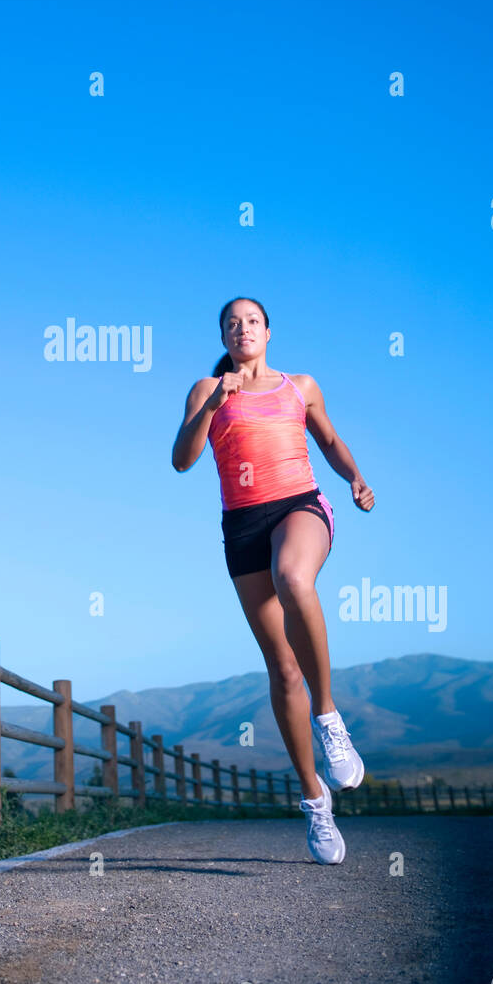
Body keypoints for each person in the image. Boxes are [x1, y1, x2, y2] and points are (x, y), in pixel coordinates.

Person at [171, 296, 375, 864]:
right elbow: (182, 460)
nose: (243, 329)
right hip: (242, 527)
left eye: (252, 321)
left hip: (300, 506)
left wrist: (356, 478)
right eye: (232, 324)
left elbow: (329, 441)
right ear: (224, 337)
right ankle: (315, 801)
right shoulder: (205, 390)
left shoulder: (299, 385)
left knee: (294, 576)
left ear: (268, 331)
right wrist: (213, 401)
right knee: (283, 670)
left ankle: (329, 716)